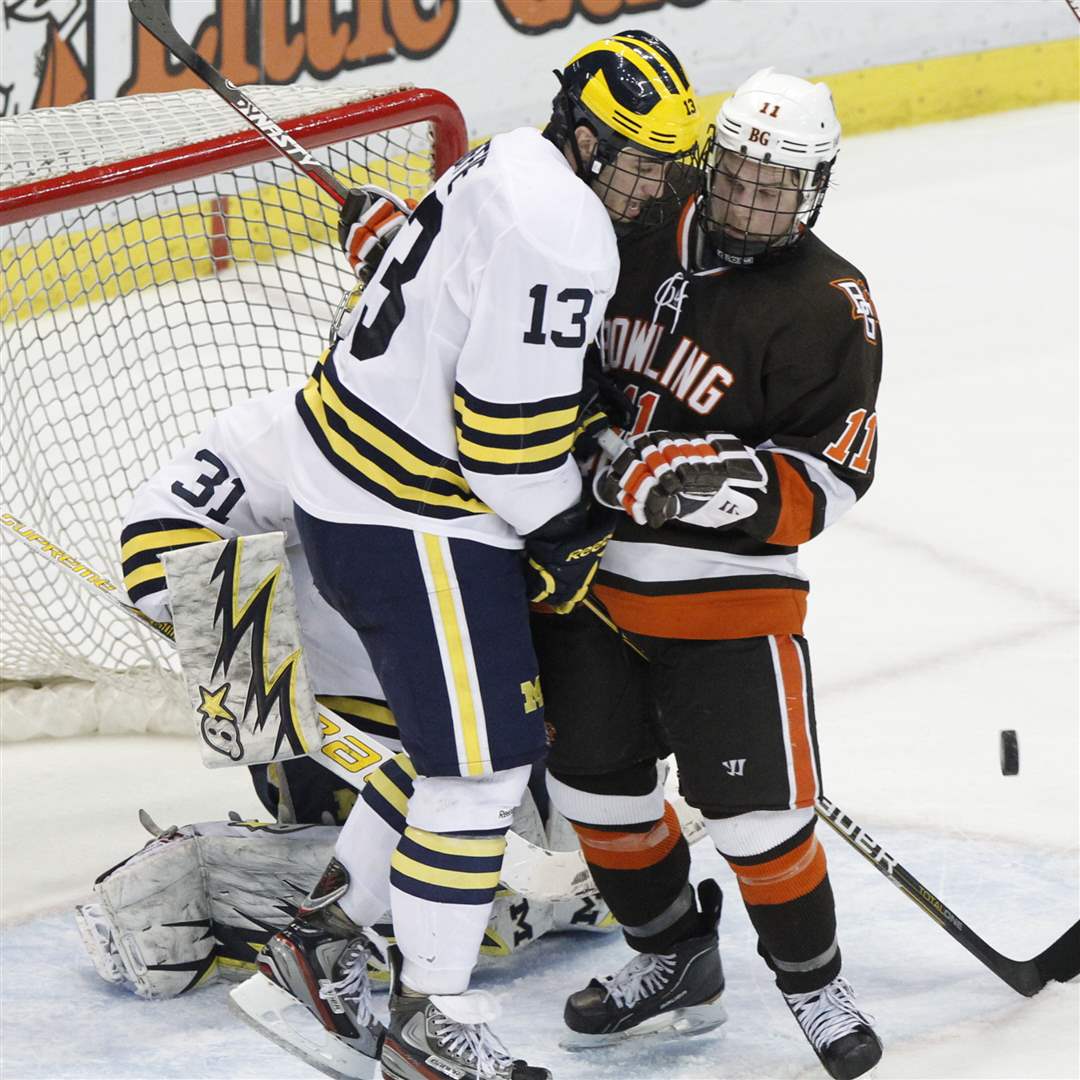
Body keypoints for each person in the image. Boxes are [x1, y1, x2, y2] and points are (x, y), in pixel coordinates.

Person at [232, 30, 700, 1080]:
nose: (652, 183)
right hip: (415, 516)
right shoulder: (567, 228)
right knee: (480, 775)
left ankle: (320, 946)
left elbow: (466, 320)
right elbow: (504, 445)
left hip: (348, 486)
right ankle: (427, 1022)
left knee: (435, 747)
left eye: (665, 162)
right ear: (585, 137)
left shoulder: (507, 156)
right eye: (636, 158)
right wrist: (568, 528)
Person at [528, 68, 885, 1080]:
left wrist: (714, 478)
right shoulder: (633, 222)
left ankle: (814, 986)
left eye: (778, 186)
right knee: (596, 791)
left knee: (760, 820)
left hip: (725, 605)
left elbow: (834, 474)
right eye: (738, 175)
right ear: (709, 161)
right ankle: (673, 957)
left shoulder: (829, 303)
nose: (752, 199)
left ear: (814, 188)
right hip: (583, 587)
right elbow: (536, 335)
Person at [98, 387, 616, 999]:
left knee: (577, 876)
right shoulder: (302, 428)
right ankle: (201, 883)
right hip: (351, 720)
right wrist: (226, 635)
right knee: (460, 905)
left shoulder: (552, 431)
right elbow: (161, 530)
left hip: (498, 704)